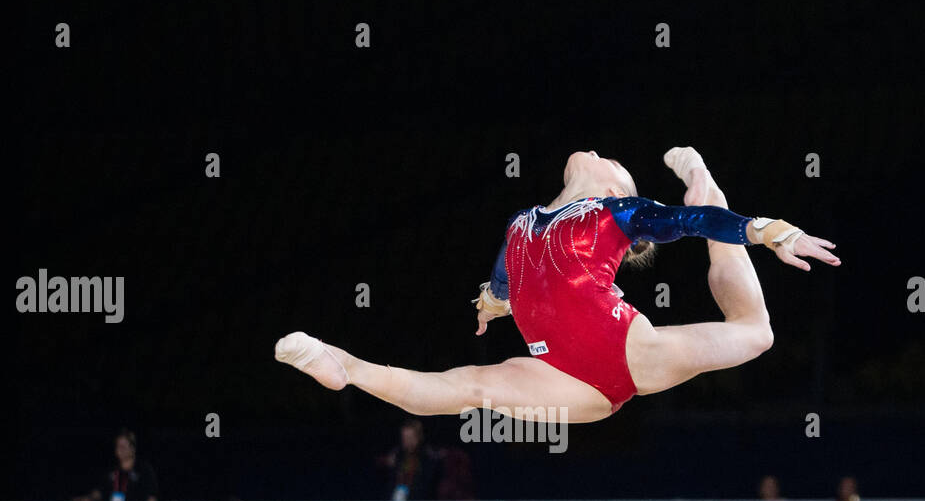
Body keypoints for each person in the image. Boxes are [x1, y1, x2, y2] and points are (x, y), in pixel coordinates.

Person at [276, 147, 838, 423]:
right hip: (564, 378)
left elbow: (685, 225)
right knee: (467, 386)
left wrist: (770, 231)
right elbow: (503, 275)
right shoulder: (522, 223)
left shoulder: (615, 213)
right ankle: (343, 365)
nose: (597, 152)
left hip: (627, 351)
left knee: (757, 332)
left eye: (610, 158)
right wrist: (492, 302)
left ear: (618, 185)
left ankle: (703, 180)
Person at [78, 429, 159, 501]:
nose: (120, 449)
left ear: (132, 448)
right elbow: (99, 492)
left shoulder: (144, 470)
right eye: (118, 446)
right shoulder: (111, 470)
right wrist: (88, 499)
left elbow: (151, 498)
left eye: (123, 446)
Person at [376, 419, 439, 501]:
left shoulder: (428, 458)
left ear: (419, 437)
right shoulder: (396, 456)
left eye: (410, 438)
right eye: (405, 438)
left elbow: (428, 486)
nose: (408, 442)